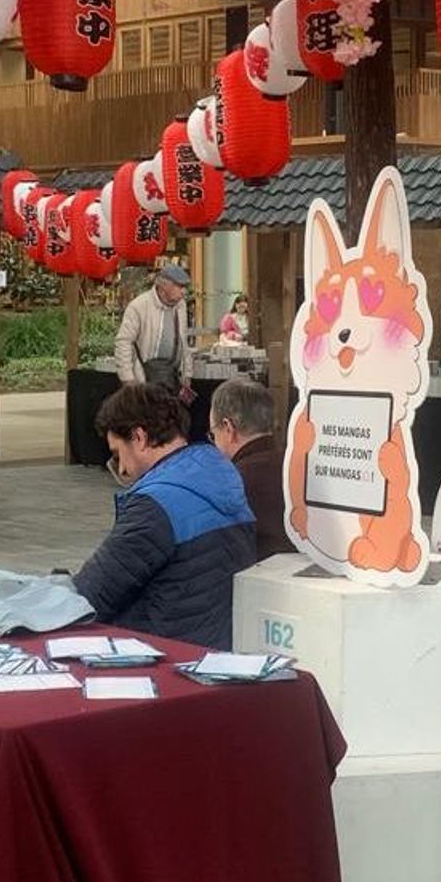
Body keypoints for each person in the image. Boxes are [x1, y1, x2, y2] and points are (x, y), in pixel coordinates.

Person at [75, 383, 256, 648]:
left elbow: (90, 596)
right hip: (216, 647)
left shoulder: (155, 505)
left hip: (159, 654)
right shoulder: (224, 475)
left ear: (139, 437)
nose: (122, 469)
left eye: (117, 454)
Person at [209, 377, 287, 561]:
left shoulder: (231, 484)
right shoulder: (298, 469)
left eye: (213, 434)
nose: (214, 443)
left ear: (228, 428)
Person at [114, 263, 193, 401]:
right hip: (147, 376)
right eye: (179, 287)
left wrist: (187, 373)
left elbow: (182, 340)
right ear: (164, 287)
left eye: (184, 287)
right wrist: (128, 379)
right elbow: (124, 342)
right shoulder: (139, 306)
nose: (184, 292)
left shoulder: (180, 306)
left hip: (173, 376)